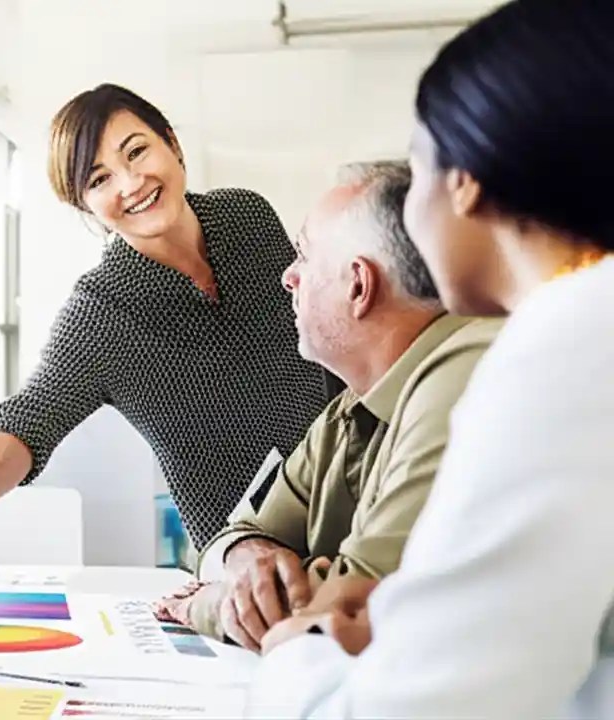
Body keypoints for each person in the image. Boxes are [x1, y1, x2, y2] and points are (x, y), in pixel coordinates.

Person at [249, 0, 614, 716]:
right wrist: (404, 619)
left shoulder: (565, 342)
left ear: (465, 179)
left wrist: (297, 647)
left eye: (415, 173)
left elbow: (420, 709)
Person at [0, 84, 331, 607]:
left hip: (349, 492)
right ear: (85, 204)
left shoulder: (248, 217)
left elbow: (325, 335)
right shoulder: (102, 311)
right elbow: (28, 418)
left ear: (171, 143)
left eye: (137, 152)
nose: (130, 184)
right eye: (99, 180)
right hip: (247, 556)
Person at [154, 161, 499, 650]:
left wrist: (205, 605)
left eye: (303, 255)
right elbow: (240, 535)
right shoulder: (349, 410)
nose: (288, 278)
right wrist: (249, 563)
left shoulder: (463, 378)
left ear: (358, 285)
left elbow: (349, 613)